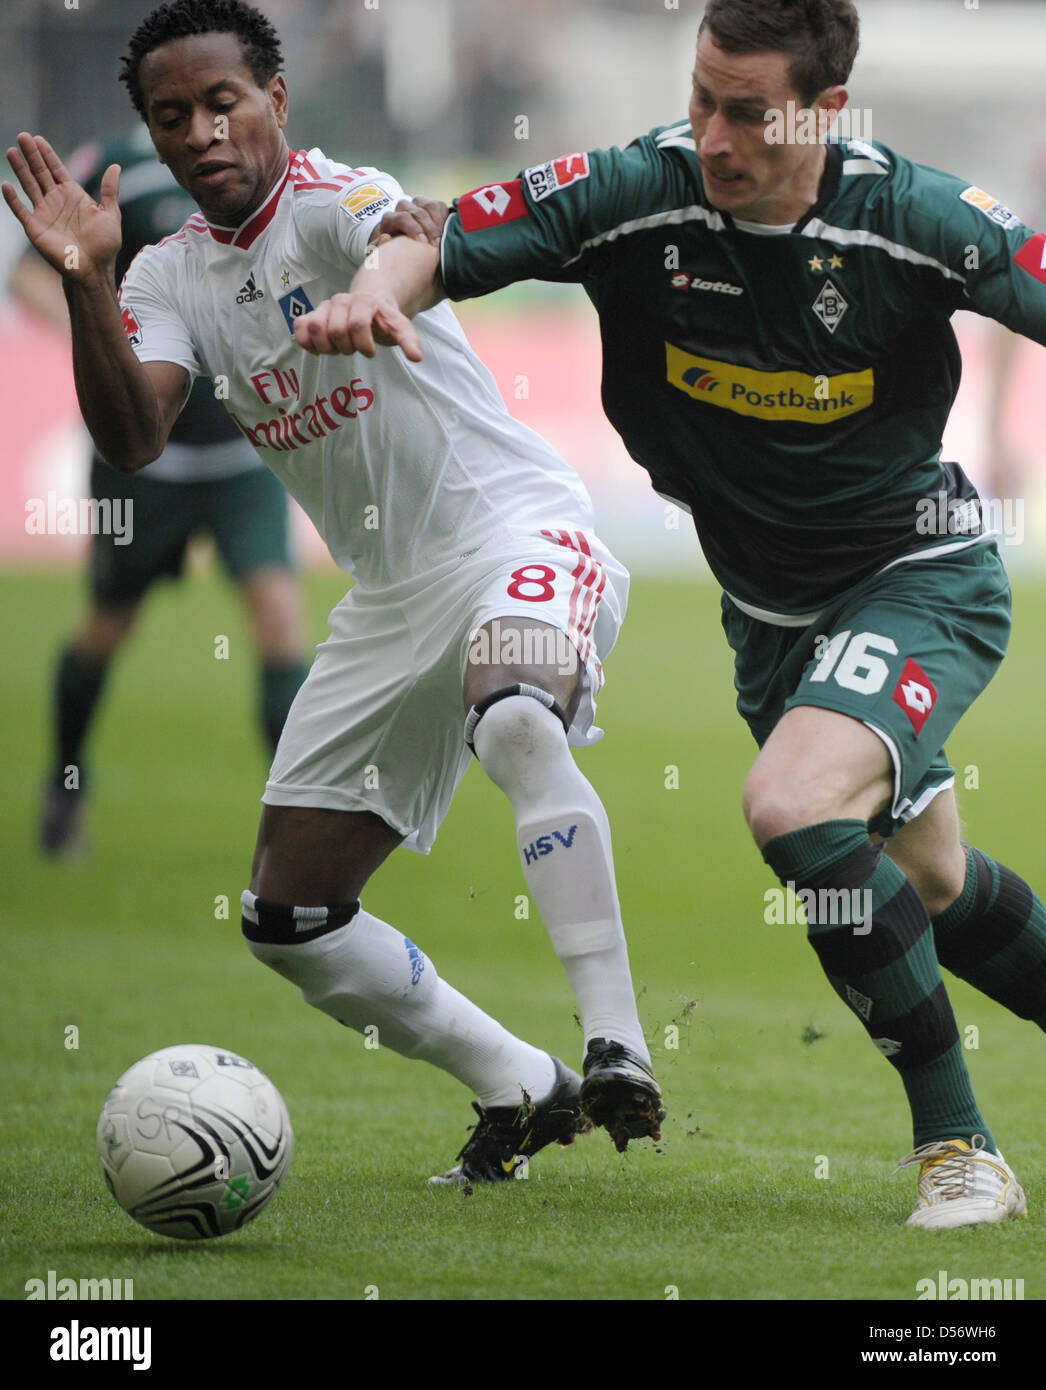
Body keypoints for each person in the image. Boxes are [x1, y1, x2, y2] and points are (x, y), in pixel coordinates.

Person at [313, 0, 1046, 1226]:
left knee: (792, 806)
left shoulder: (916, 218)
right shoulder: (634, 194)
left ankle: (958, 1149)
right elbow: (432, 238)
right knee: (925, 887)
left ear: (824, 111)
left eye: (747, 113)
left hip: (917, 575)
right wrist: (369, 295)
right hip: (766, 613)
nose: (711, 135)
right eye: (701, 99)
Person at [2, 0, 664, 1182]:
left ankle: (616, 1043)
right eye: (172, 115)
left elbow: (394, 235)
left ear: (274, 100)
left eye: (222, 102)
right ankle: (522, 1084)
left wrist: (375, 285)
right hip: (388, 600)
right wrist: (87, 282)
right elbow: (135, 436)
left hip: (514, 530)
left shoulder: (331, 196)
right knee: (288, 920)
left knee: (515, 717)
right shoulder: (163, 274)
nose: (201, 132)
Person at [10, 123, 310, 856]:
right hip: (141, 463)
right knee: (107, 626)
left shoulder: (255, 153)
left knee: (280, 621)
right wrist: (97, 327)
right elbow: (28, 275)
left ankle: (302, 825)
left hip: (244, 448)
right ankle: (65, 783)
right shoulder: (115, 163)